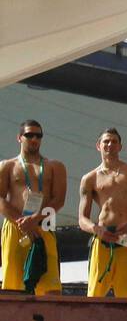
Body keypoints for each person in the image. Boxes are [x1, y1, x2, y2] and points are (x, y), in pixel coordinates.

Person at [0, 120, 66, 295]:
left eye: (38, 135)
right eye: (29, 135)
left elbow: (59, 199)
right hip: (16, 228)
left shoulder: (55, 166)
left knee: (51, 287)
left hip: (44, 225)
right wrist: (21, 221)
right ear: (19, 138)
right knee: (13, 287)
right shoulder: (7, 165)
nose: (34, 139)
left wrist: (35, 219)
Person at [79, 128, 127, 297]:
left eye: (114, 141)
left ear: (120, 146)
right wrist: (96, 229)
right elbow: (82, 219)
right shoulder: (90, 178)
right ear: (98, 146)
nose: (110, 144)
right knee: (96, 294)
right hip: (103, 238)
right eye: (106, 141)